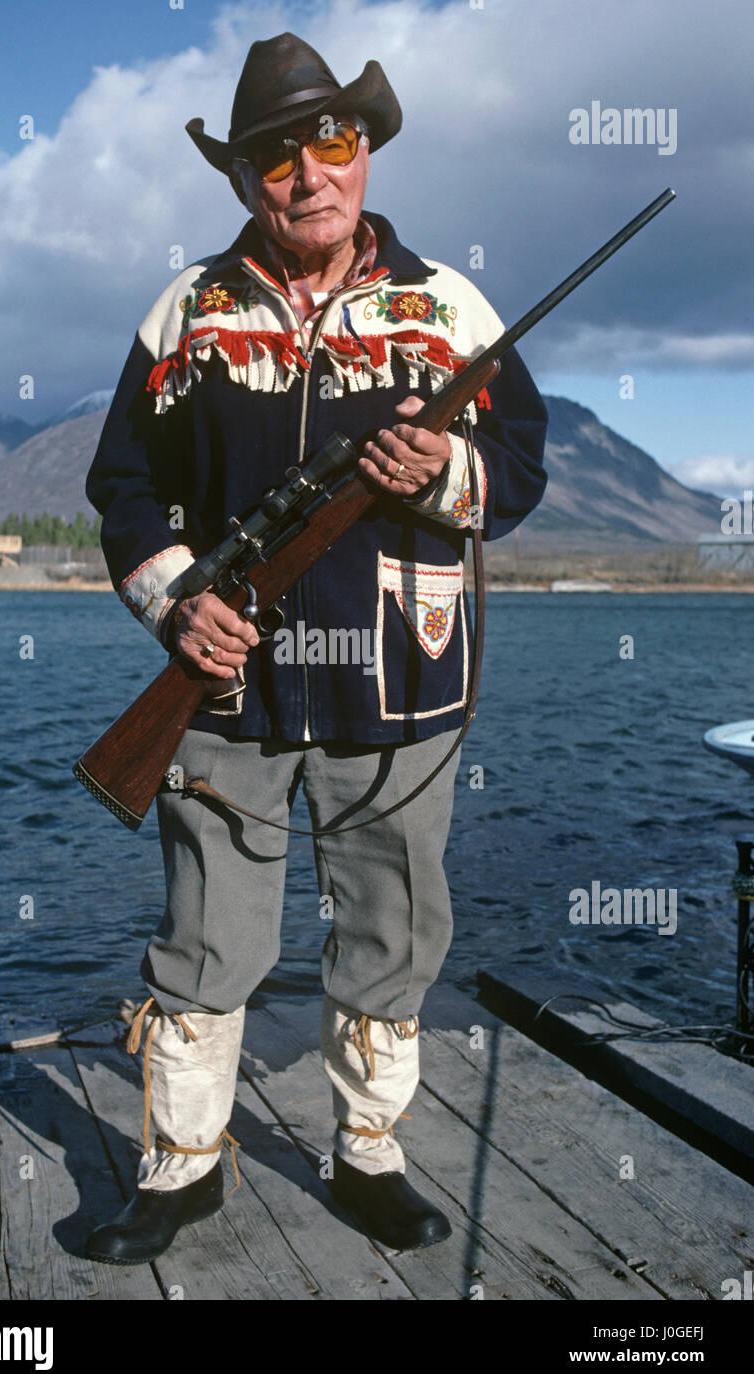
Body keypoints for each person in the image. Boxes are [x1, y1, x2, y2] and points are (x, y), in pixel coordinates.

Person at [83, 32, 547, 1265]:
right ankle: (181, 1168)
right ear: (243, 180)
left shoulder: (451, 306)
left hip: (405, 681)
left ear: (367, 148)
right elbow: (124, 485)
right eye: (277, 153)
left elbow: (525, 467)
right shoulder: (186, 308)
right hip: (227, 687)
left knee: (392, 928)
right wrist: (178, 602)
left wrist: (445, 470)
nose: (308, 172)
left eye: (331, 141)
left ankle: (369, 1157)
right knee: (205, 934)